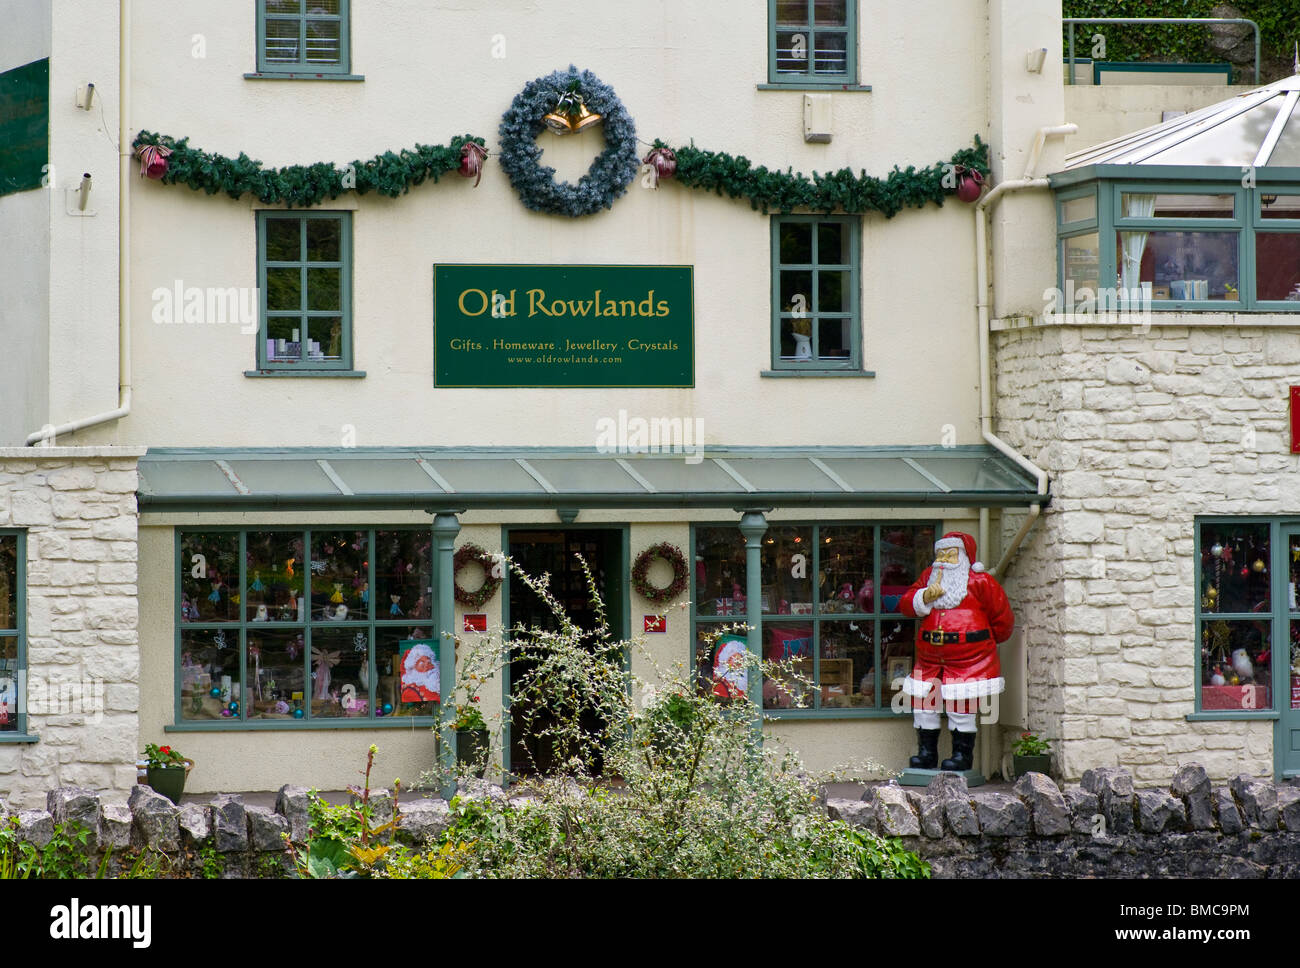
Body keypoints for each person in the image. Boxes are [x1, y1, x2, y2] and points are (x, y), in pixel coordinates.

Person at [898, 532, 1014, 772]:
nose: (944, 560)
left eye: (950, 555)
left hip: (969, 660)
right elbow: (906, 604)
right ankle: (926, 753)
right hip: (929, 660)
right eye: (940, 554)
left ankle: (961, 756)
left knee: (961, 706)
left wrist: (982, 644)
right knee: (924, 705)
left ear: (963, 556)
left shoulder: (981, 582)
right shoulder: (928, 578)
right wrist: (924, 596)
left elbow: (1002, 619)